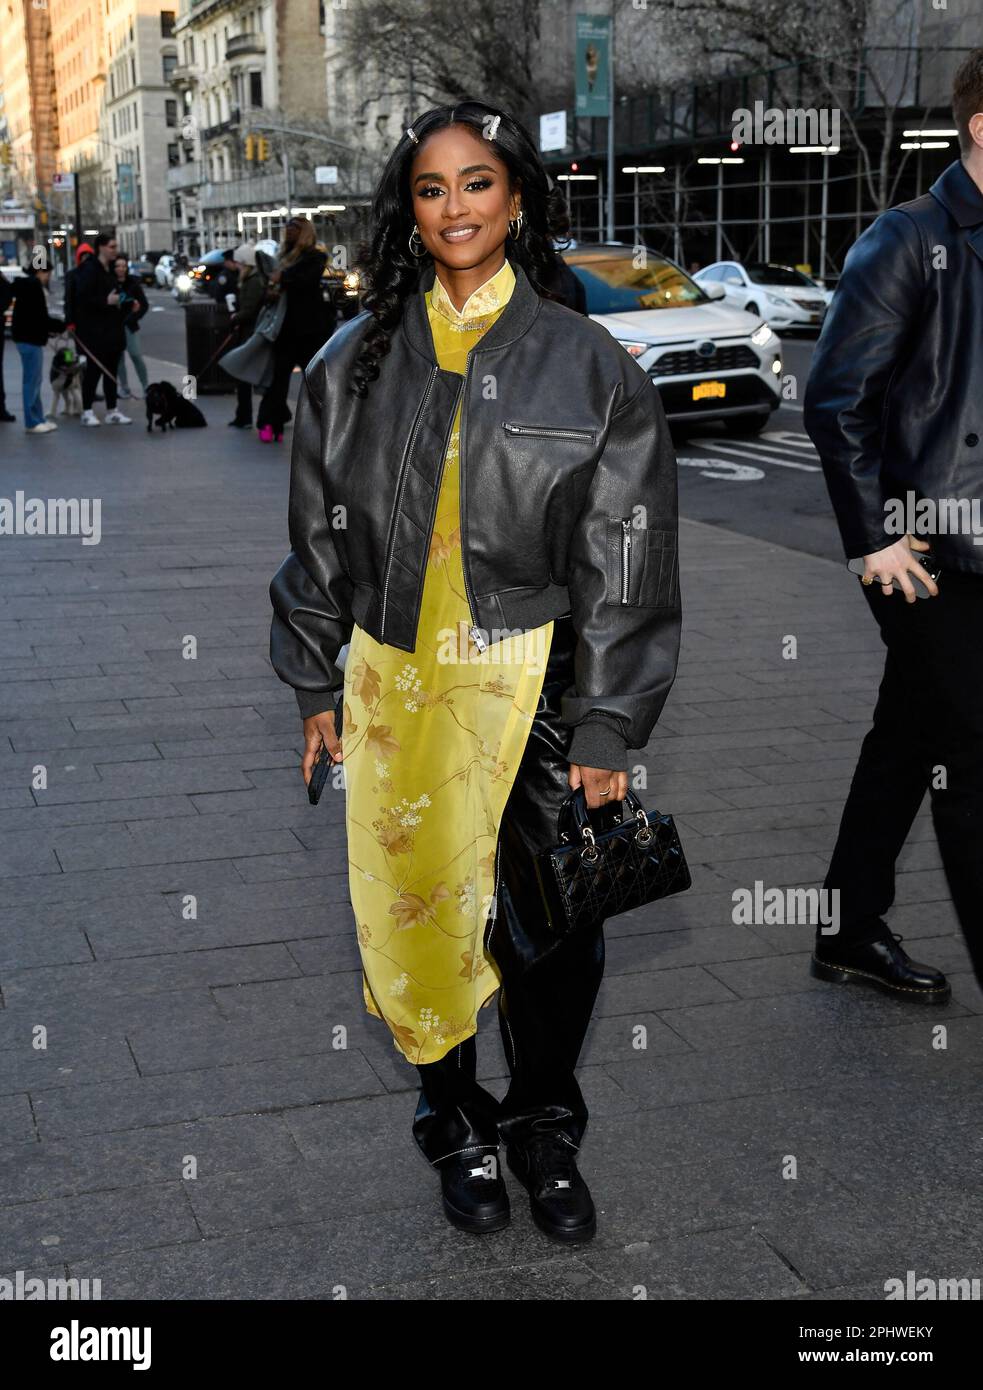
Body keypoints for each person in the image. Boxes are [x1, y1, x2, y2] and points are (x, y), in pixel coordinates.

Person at [268, 102, 681, 1242]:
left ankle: (545, 1125)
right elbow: (316, 542)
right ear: (407, 211)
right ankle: (452, 1119)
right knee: (414, 920)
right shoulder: (348, 364)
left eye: (478, 184)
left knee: (552, 922)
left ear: (517, 199)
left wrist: (606, 723)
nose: (455, 208)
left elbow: (626, 552)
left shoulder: (586, 364)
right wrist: (311, 681)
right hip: (395, 687)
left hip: (539, 683)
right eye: (430, 189)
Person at [803, 48, 983, 1003]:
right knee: (972, 750)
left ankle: (846, 925)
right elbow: (837, 399)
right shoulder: (910, 237)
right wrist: (873, 538)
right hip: (928, 552)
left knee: (909, 731)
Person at [255, 216, 329, 442]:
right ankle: (269, 423)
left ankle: (323, 425)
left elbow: (306, 279)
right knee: (277, 380)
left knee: (315, 381)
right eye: (287, 228)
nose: (288, 232)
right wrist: (272, 289)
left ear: (304, 232)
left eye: (294, 228)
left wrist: (282, 278)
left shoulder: (316, 256)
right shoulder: (282, 256)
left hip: (309, 329)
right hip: (286, 329)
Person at [74, 232, 130, 426]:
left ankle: (112, 409)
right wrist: (105, 301)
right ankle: (87, 410)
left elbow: (117, 295)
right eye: (112, 247)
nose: (115, 250)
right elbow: (82, 298)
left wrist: (127, 303)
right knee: (94, 371)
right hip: (95, 331)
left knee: (111, 372)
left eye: (116, 246)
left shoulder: (110, 271)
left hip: (112, 330)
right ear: (101, 248)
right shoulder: (89, 270)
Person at [10, 247, 64, 434]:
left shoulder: (27, 287)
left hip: (26, 337)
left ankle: (38, 418)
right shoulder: (34, 288)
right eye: (47, 273)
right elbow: (41, 318)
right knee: (32, 381)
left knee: (34, 380)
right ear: (40, 272)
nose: (48, 277)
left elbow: (35, 318)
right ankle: (32, 421)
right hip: (30, 339)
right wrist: (61, 326)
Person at [227, 242, 267, 428]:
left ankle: (244, 416)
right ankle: (244, 416)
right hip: (250, 331)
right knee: (246, 377)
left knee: (243, 377)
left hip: (249, 332)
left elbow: (250, 309)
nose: (237, 267)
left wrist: (236, 317)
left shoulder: (252, 282)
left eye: (239, 264)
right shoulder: (253, 280)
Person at [112, 254, 150, 399]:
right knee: (119, 358)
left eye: (123, 266)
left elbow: (144, 305)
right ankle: (124, 387)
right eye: (117, 266)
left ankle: (146, 386)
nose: (121, 269)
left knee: (136, 355)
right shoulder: (109, 283)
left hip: (130, 325)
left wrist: (134, 317)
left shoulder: (133, 284)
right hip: (114, 326)